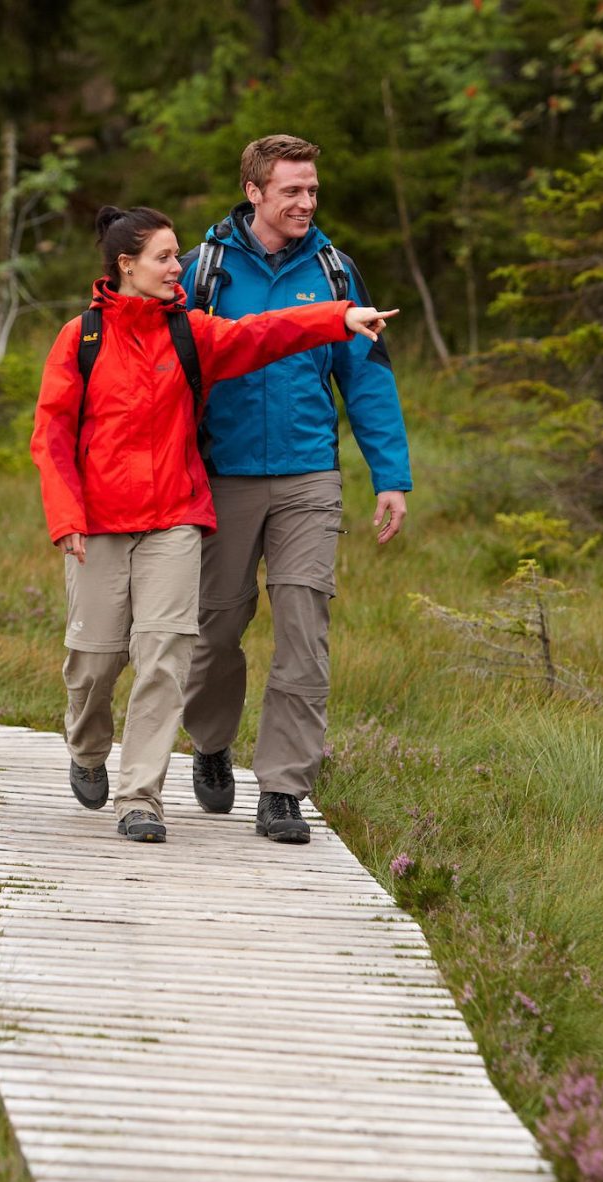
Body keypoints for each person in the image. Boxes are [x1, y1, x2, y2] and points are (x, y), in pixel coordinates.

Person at [30, 205, 396, 843]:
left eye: (178, 255)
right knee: (95, 661)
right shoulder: (81, 337)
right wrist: (66, 516)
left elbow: (263, 333)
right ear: (127, 266)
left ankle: (140, 798)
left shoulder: (190, 332)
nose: (180, 268)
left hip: (175, 516)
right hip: (99, 522)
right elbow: (52, 434)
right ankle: (86, 747)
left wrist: (336, 317)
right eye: (165, 257)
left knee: (164, 656)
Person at [180, 134, 412, 846]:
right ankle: (211, 741)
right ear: (254, 192)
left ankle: (283, 788)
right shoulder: (204, 270)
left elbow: (367, 375)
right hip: (222, 475)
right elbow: (166, 369)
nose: (306, 202)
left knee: (304, 631)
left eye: (312, 190)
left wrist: (390, 477)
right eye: (291, 190)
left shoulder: (335, 270)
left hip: (310, 475)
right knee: (216, 626)